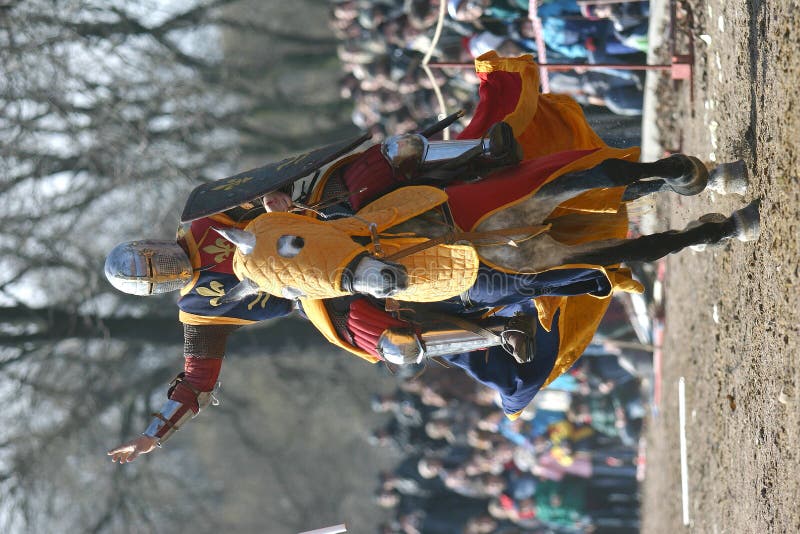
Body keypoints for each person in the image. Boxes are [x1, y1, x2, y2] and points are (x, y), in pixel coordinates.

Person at [106, 52, 646, 463]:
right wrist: (154, 433)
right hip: (330, 291)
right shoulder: (200, 312)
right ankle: (497, 336)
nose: (164, 267)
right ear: (158, 289)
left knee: (392, 157)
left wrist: (282, 205)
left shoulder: (202, 215)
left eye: (153, 259)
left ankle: (484, 152)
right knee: (396, 344)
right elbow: (197, 379)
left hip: (323, 219)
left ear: (150, 244)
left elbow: (273, 183)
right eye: (156, 276)